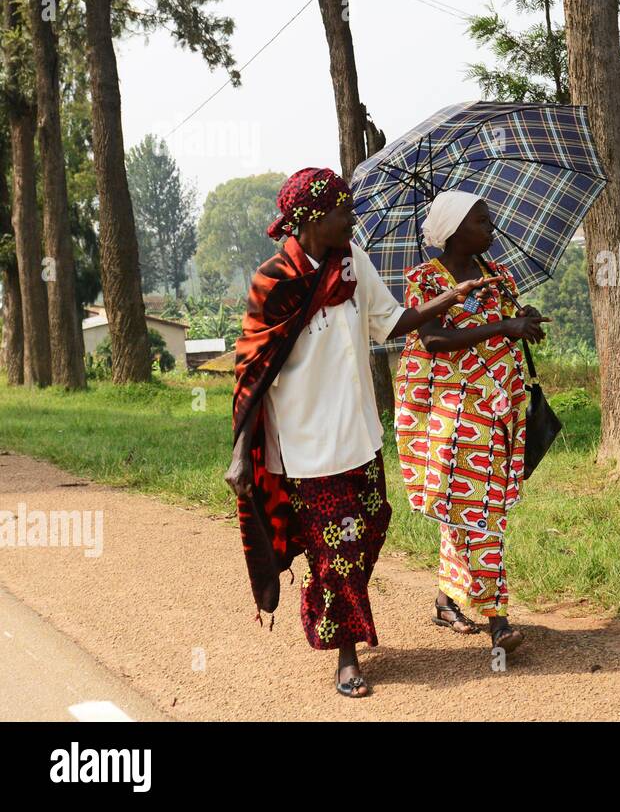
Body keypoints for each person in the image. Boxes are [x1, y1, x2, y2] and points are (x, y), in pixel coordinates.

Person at [225, 167, 498, 698]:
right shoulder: (274, 281)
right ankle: (347, 657)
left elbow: (390, 323)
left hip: (361, 434)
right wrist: (241, 453)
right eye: (343, 211)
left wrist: (450, 297)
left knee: (371, 527)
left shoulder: (354, 262)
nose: (353, 218)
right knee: (339, 549)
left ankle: (324, 596)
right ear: (311, 220)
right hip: (306, 447)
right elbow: (252, 375)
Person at [394, 191, 548, 655]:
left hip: (500, 408)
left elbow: (508, 320)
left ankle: (445, 600)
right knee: (482, 512)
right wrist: (502, 329)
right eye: (483, 221)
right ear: (456, 230)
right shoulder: (425, 279)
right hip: (451, 413)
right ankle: (499, 621)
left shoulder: (498, 275)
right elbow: (435, 338)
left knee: (466, 508)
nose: (492, 228)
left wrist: (523, 319)